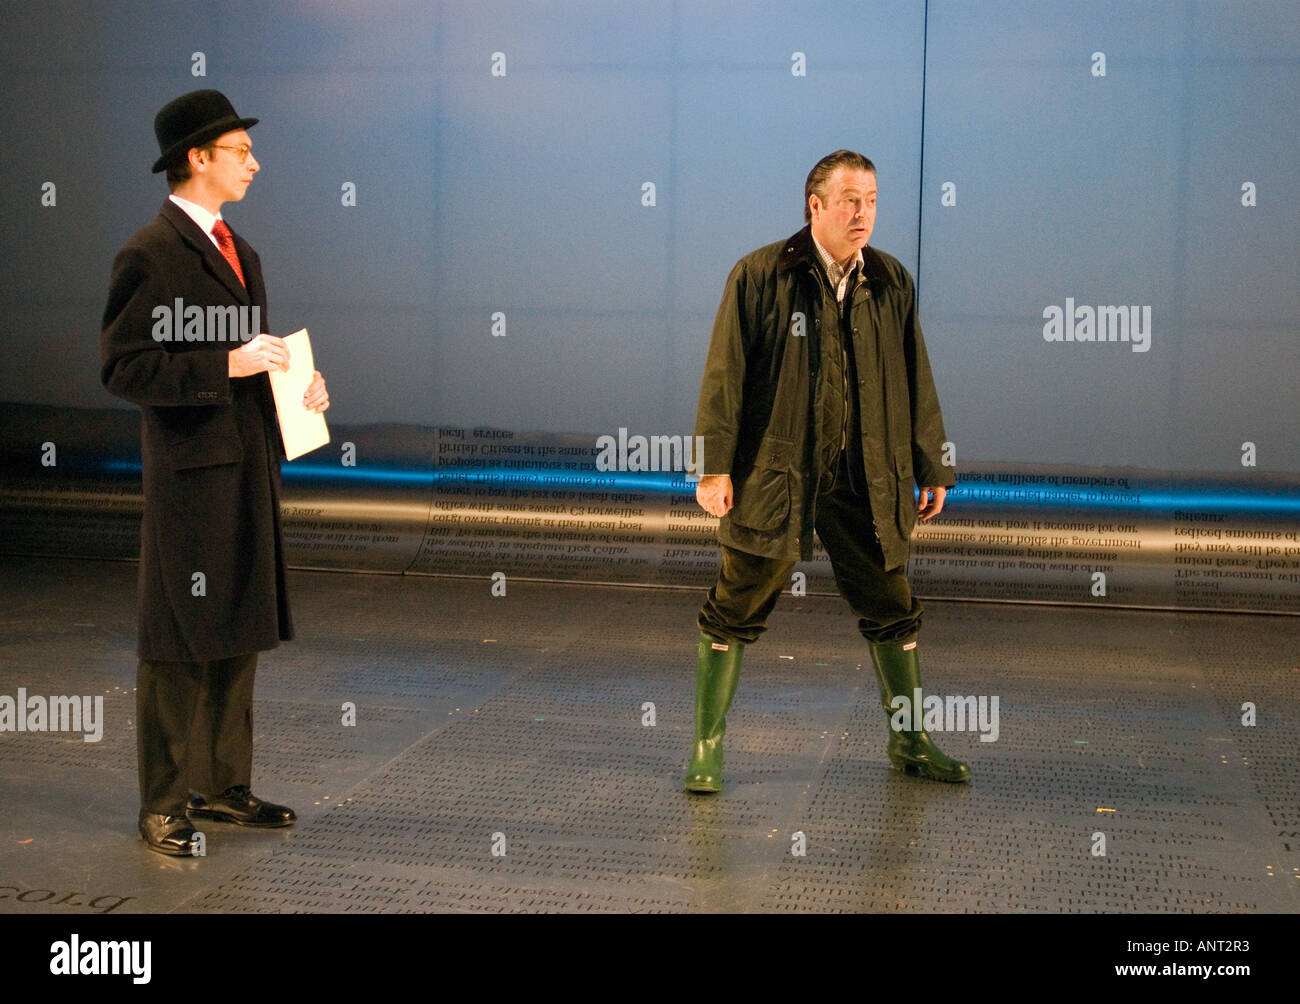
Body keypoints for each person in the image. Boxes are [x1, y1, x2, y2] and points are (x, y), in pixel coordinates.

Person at [685, 149, 968, 792]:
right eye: (849, 199)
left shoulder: (890, 280)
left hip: (867, 477)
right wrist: (713, 468)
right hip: (780, 474)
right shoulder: (761, 276)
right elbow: (725, 376)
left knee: (893, 606)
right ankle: (706, 750)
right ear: (815, 205)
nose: (862, 212)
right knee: (735, 603)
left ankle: (911, 742)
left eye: (870, 198)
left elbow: (915, 377)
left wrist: (934, 466)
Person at [100, 89, 330, 854]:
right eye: (239, 151)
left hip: (243, 464)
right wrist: (224, 363)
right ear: (197, 158)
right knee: (175, 637)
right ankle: (164, 801)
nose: (254, 163)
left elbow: (248, 360)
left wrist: (292, 386)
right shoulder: (151, 252)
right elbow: (125, 367)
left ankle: (224, 787)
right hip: (192, 474)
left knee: (238, 623)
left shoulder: (240, 250)